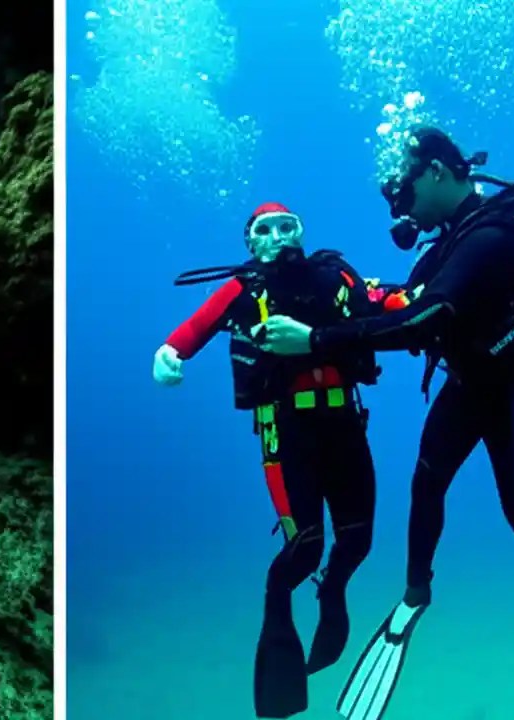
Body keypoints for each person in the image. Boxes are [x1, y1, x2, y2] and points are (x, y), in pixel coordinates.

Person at [258, 127, 514, 720]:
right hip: (467, 386)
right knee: (426, 483)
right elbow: (402, 304)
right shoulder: (447, 247)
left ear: (438, 171)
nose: (400, 200)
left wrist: (316, 338)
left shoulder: (491, 237)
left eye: (406, 183)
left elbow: (426, 320)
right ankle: (416, 593)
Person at [152, 202, 389, 719]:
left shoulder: (337, 276)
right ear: (250, 243)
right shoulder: (243, 290)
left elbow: (382, 302)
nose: (279, 235)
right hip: (287, 434)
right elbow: (198, 325)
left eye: (288, 226)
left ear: (302, 231)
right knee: (304, 546)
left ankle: (333, 592)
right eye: (266, 229)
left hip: (345, 426)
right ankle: (279, 609)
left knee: (358, 537)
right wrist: (169, 351)